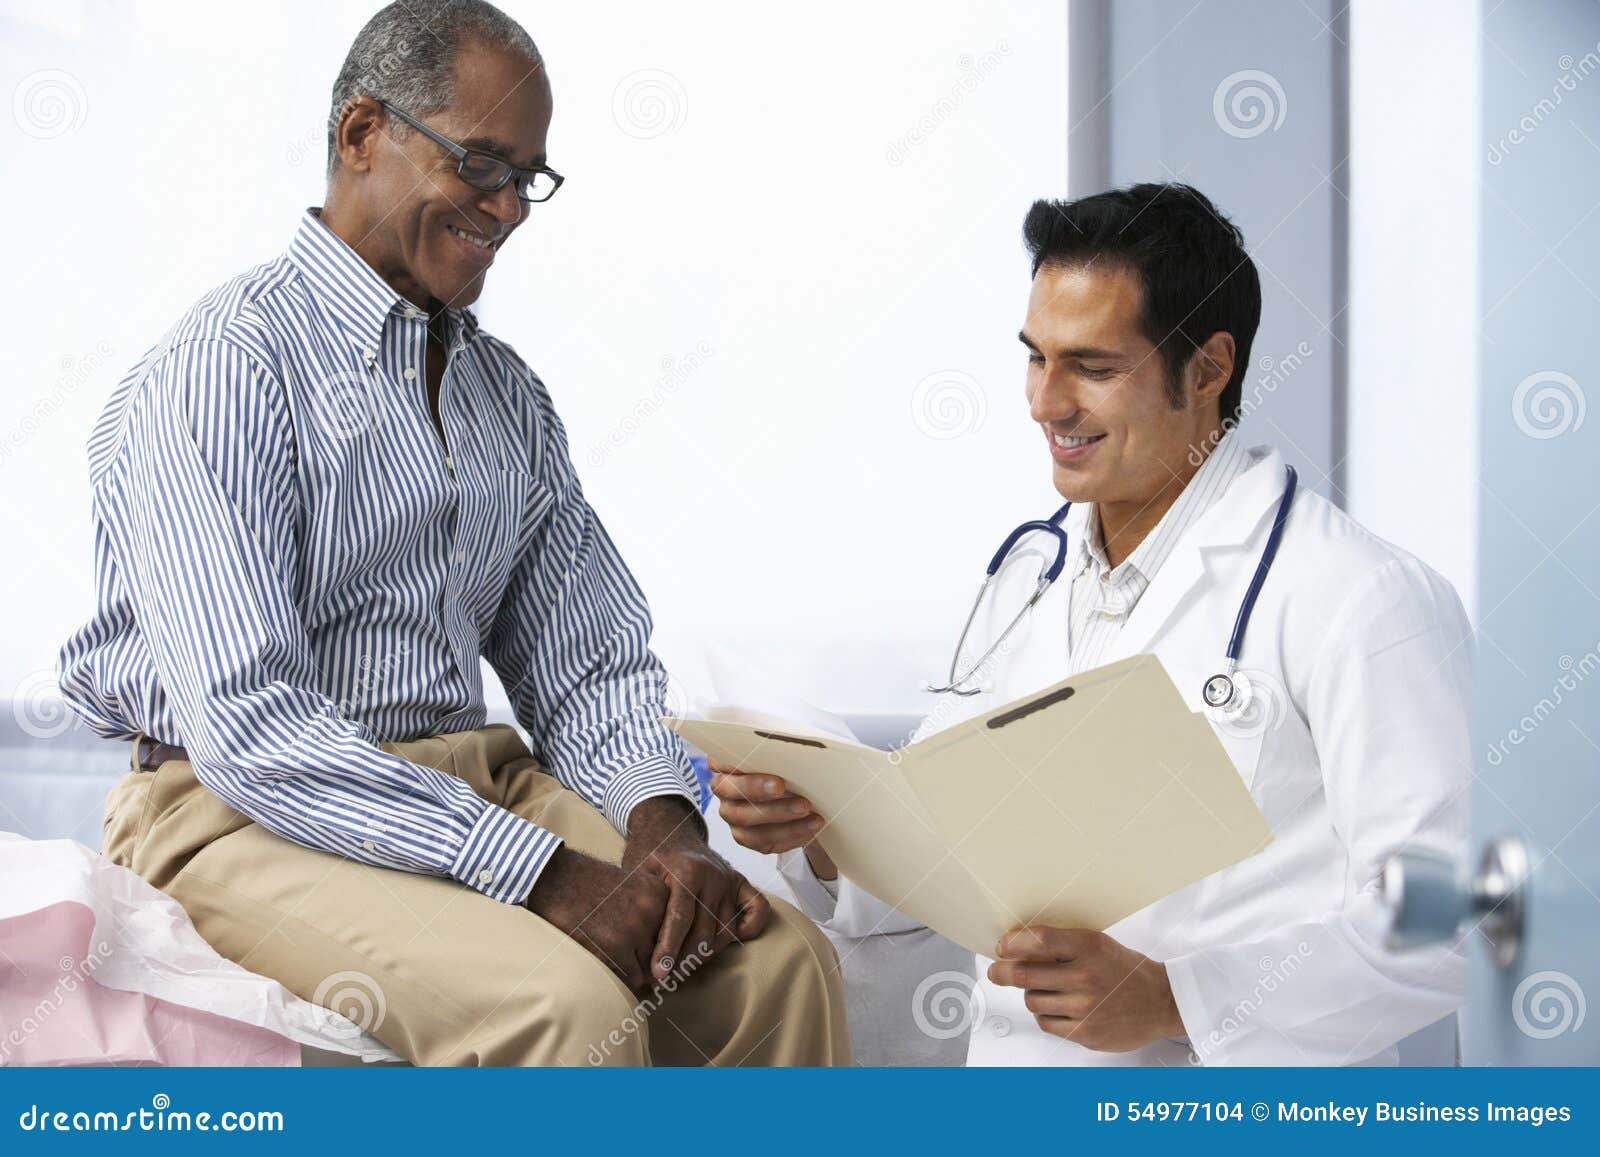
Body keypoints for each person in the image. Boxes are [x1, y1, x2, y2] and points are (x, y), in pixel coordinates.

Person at [58, 0, 847, 1067]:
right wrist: (545, 871)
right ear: (360, 133)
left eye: (527, 177)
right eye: (481, 164)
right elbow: (252, 725)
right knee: (566, 1006)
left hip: (468, 780)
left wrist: (664, 827)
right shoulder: (225, 370)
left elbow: (585, 663)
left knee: (780, 963)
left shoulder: (504, 394)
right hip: (236, 809)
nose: (509, 207)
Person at [713, 183, 1470, 1066]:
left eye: (1093, 367)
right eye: (1036, 358)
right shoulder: (1029, 579)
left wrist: (1177, 997)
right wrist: (824, 834)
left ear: (1208, 369)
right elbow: (952, 860)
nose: (1046, 402)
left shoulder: (1360, 596)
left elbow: (1444, 917)